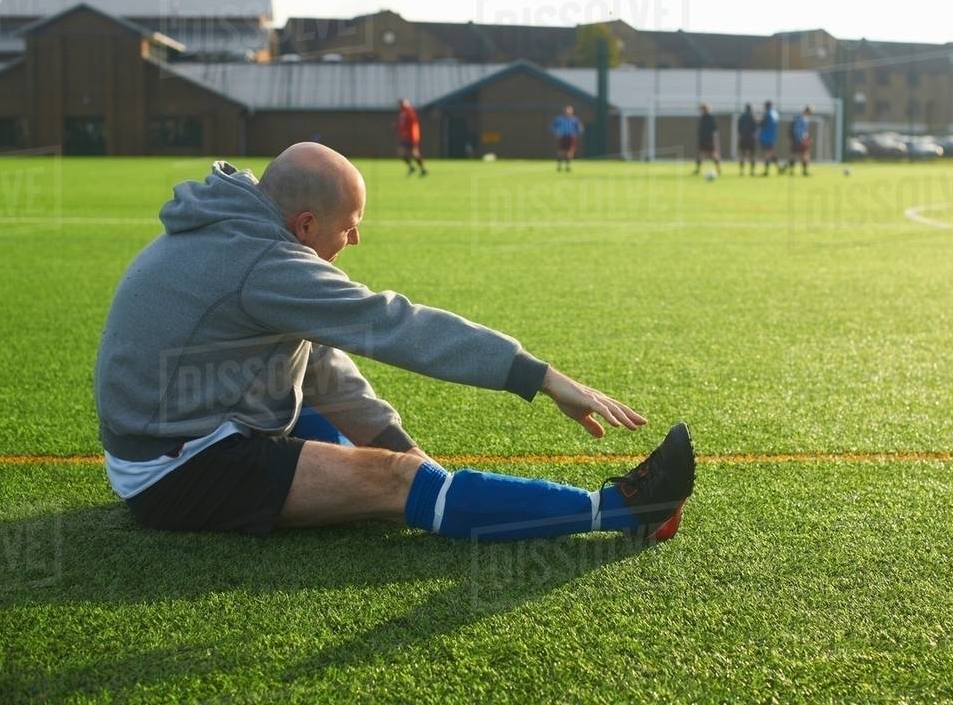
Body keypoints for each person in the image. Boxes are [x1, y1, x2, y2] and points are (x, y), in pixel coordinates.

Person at [94, 143, 695, 541]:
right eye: (348, 227)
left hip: (195, 424)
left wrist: (409, 451)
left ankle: (438, 491)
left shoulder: (239, 226)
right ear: (305, 224)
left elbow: (322, 369)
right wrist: (536, 375)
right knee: (392, 483)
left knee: (389, 461)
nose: (353, 240)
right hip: (177, 470)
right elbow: (395, 325)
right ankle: (620, 510)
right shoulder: (261, 261)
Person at [396, 99, 428, 177]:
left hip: (411, 137)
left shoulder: (410, 113)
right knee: (401, 153)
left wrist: (413, 137)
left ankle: (423, 169)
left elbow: (413, 126)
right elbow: (402, 126)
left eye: (401, 104)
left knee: (414, 153)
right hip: (406, 137)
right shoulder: (402, 113)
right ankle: (412, 167)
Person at [551, 105, 584, 171]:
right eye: (566, 111)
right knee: (561, 152)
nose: (567, 112)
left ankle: (568, 166)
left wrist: (576, 134)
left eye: (569, 111)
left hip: (571, 137)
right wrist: (556, 133)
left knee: (570, 152)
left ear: (571, 112)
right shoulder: (559, 119)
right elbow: (552, 126)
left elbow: (580, 128)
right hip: (562, 137)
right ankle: (559, 166)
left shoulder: (574, 119)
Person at [693, 104, 721, 176]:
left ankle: (718, 169)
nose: (701, 111)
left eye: (702, 109)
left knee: (713, 155)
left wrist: (714, 141)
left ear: (706, 109)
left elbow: (715, 130)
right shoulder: (702, 118)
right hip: (702, 139)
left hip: (709, 140)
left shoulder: (711, 118)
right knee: (699, 155)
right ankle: (697, 170)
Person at [786, 105, 813, 176]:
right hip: (799, 139)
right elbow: (798, 130)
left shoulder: (801, 117)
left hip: (798, 139)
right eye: (810, 112)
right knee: (803, 155)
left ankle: (793, 171)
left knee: (796, 155)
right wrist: (801, 138)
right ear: (807, 111)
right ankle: (803, 171)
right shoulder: (802, 118)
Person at [758, 100, 781, 176]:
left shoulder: (767, 114)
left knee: (767, 153)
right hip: (772, 136)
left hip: (766, 137)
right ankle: (779, 167)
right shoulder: (775, 114)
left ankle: (766, 171)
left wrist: (757, 121)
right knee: (770, 153)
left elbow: (762, 124)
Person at [737, 104, 758, 175]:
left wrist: (740, 137)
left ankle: (741, 171)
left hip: (743, 138)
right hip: (751, 139)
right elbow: (755, 129)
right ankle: (752, 171)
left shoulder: (741, 117)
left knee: (742, 155)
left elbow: (739, 129)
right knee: (752, 155)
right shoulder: (752, 117)